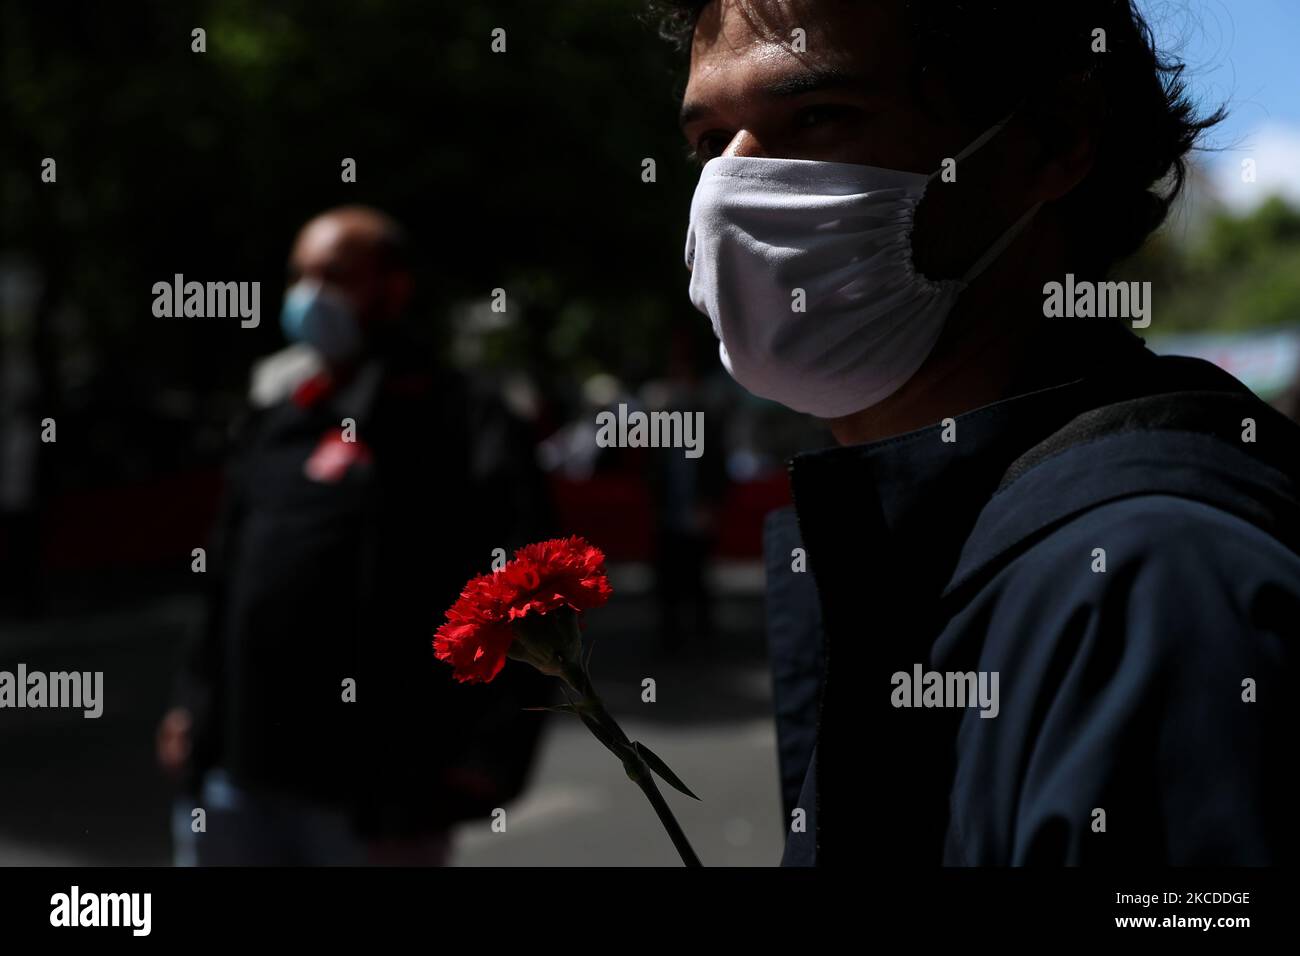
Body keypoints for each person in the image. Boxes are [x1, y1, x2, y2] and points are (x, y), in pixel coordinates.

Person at [658, 0, 1300, 866]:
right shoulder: (945, 539)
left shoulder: (1155, 588)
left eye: (818, 117)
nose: (731, 193)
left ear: (1052, 141)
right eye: (709, 144)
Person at [156, 205, 553, 865]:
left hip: (380, 800)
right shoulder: (278, 420)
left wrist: (490, 750)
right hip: (236, 782)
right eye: (300, 276)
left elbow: (524, 589)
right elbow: (226, 578)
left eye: (335, 275)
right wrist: (190, 704)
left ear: (393, 288)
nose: (311, 297)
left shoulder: (463, 424)